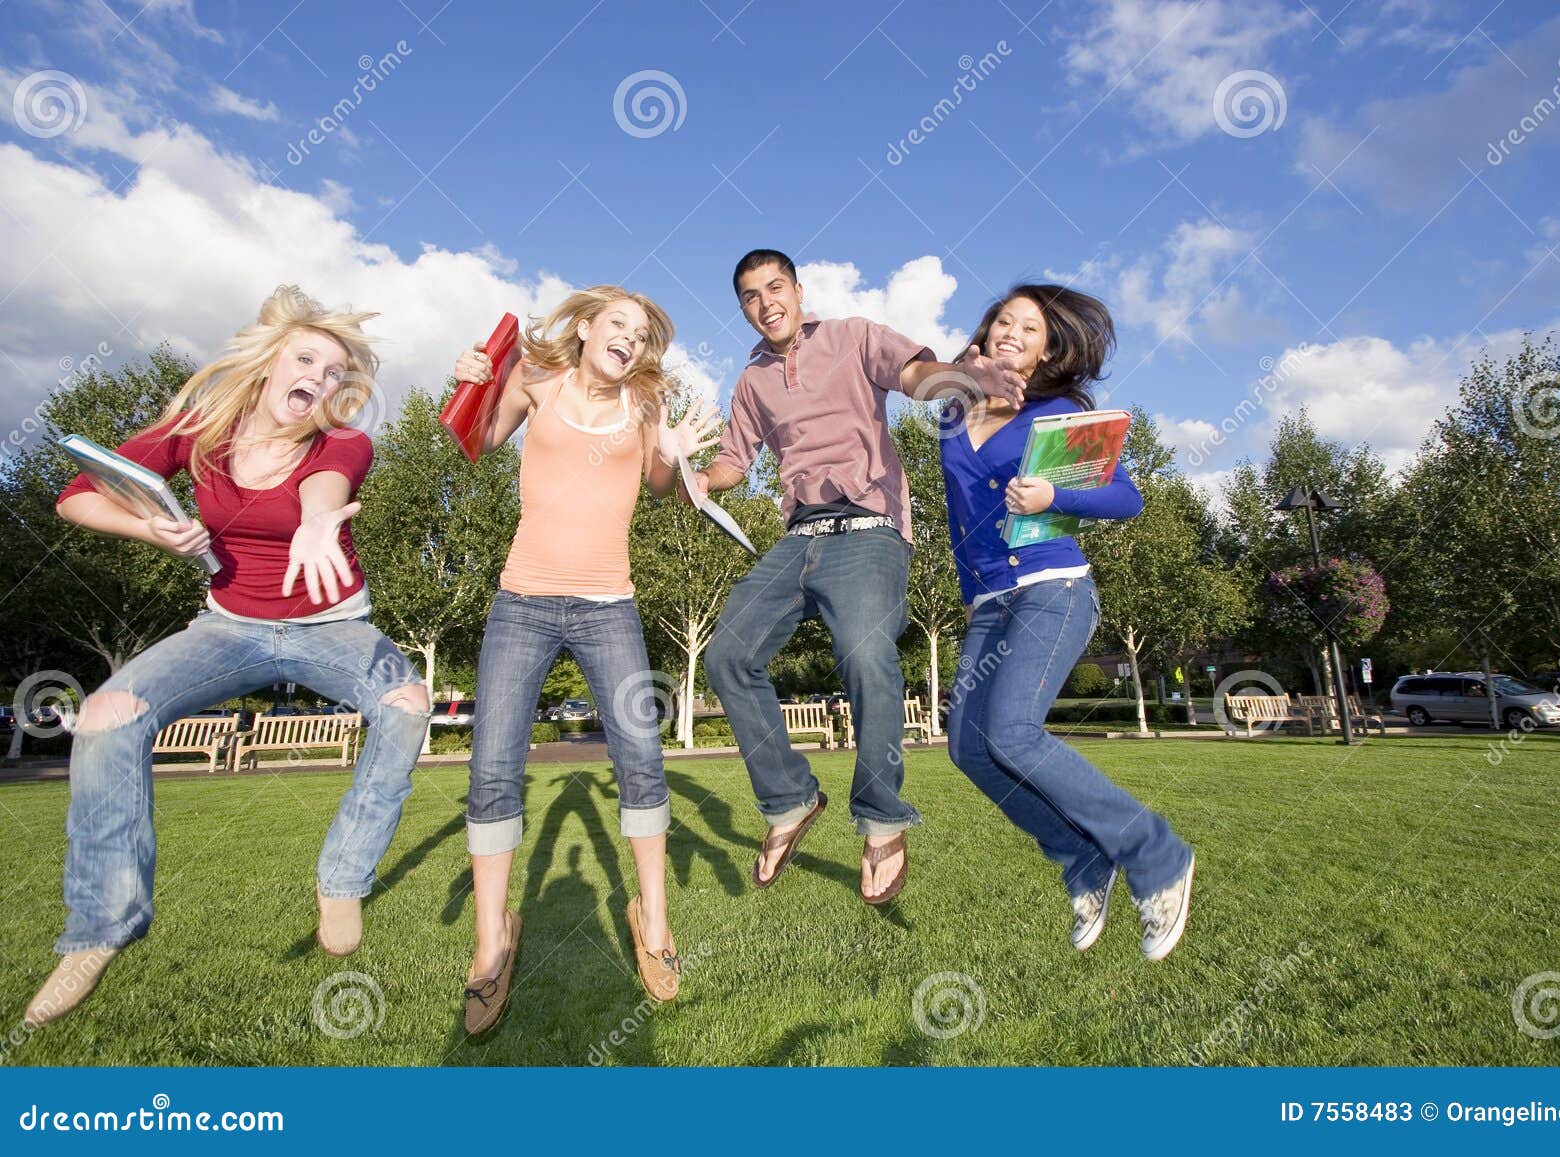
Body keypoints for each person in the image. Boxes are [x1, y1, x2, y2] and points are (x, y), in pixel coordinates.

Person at [25, 286, 432, 1028]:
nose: (322, 376)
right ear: (271, 361)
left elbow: (325, 489)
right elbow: (76, 497)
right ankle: (100, 927)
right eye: (307, 358)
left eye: (338, 371)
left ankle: (342, 877)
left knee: (407, 706)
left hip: (334, 625)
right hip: (227, 625)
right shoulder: (198, 429)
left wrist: (316, 528)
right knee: (105, 717)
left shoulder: (342, 442)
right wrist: (158, 533)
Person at [697, 248, 1027, 905]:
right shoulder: (751, 381)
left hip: (869, 528)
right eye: (750, 297)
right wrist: (686, 474)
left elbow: (915, 376)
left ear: (796, 289)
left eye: (775, 288)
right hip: (799, 538)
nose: (766, 304)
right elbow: (732, 464)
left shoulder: (853, 337)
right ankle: (790, 799)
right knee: (727, 655)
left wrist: (963, 378)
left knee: (864, 652)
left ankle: (880, 818)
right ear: (743, 309)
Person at [450, 286, 721, 1034]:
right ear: (587, 325)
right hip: (523, 601)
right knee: (493, 764)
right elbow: (474, 443)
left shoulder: (643, 405)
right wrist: (471, 378)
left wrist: (671, 457)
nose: (630, 341)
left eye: (641, 335)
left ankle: (654, 923)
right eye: (619, 326)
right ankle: (490, 943)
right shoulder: (536, 378)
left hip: (609, 606)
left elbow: (661, 486)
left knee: (640, 754)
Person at [941, 284, 1195, 961]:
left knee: (1014, 733)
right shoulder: (954, 409)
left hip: (1052, 584)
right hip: (991, 599)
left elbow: (1127, 497)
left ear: (1049, 347)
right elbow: (958, 504)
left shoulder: (1057, 414)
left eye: (1031, 326)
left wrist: (1057, 494)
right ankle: (1084, 860)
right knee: (968, 746)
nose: (1013, 331)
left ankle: (1157, 854)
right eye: (1004, 320)